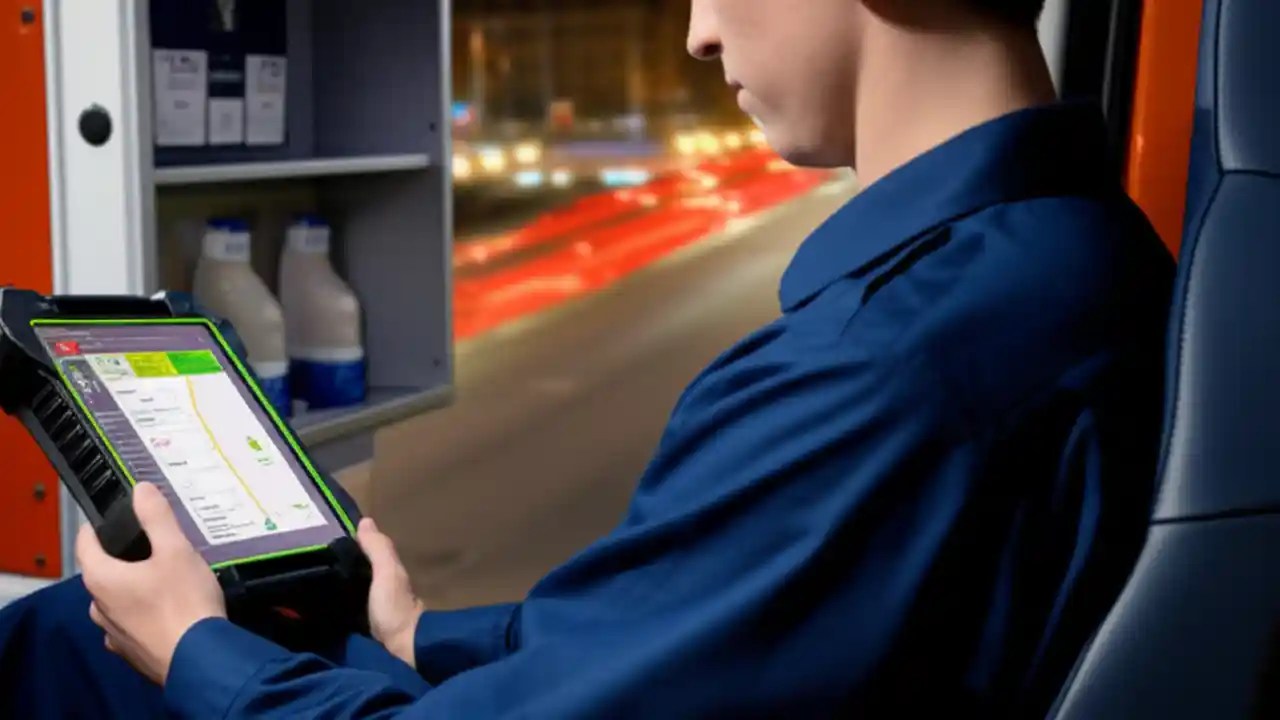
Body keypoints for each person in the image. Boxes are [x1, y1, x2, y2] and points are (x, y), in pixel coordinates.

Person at [0, 0, 1175, 716]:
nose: (698, 31)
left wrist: (194, 650)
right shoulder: (1084, 249)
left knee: (66, 642)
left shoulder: (879, 369)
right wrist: (419, 635)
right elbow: (690, 632)